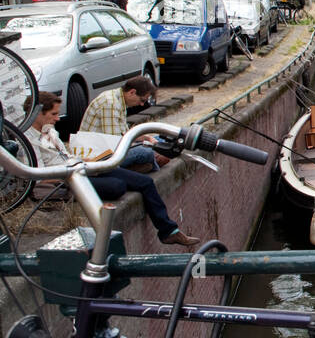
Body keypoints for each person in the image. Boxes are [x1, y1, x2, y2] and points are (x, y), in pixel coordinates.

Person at [24, 92, 199, 247]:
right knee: (117, 186)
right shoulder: (27, 141)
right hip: (69, 179)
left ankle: (169, 231)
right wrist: (73, 172)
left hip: (82, 168)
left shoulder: (50, 131)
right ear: (37, 113)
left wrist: (90, 161)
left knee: (145, 182)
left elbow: (65, 156)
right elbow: (38, 177)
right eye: (54, 114)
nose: (58, 118)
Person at [78, 76, 168, 173]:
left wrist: (147, 139)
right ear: (132, 92)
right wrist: (144, 146)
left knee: (162, 140)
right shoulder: (110, 103)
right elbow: (115, 143)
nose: (142, 104)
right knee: (147, 152)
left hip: (111, 147)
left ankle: (148, 163)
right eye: (142, 100)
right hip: (100, 155)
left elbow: (124, 133)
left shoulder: (119, 99)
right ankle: (151, 167)